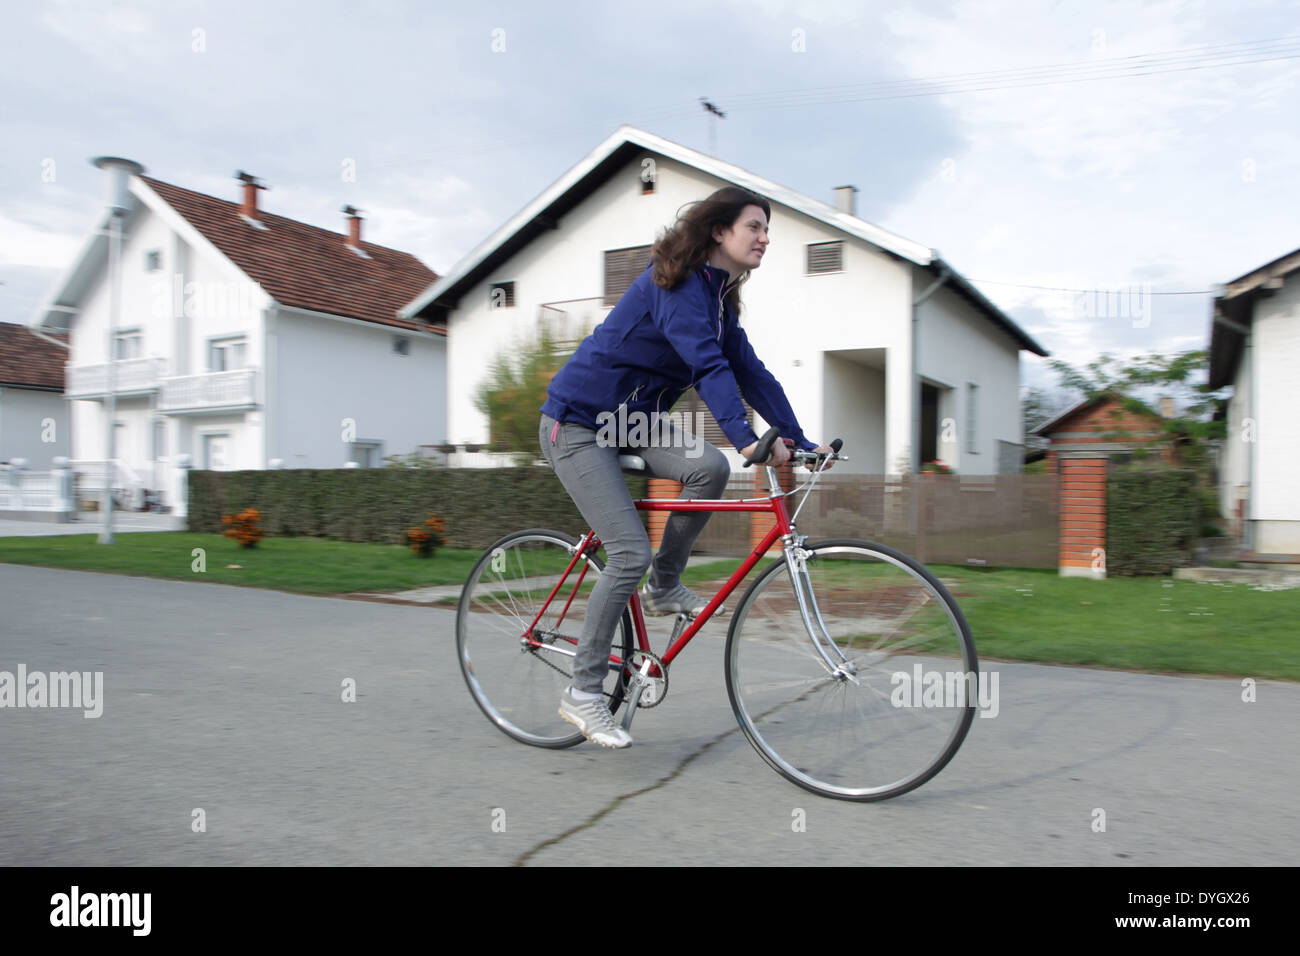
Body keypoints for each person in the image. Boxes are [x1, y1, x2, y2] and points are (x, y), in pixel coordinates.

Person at [538, 185, 833, 748]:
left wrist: (799, 439)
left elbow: (752, 374)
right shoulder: (674, 286)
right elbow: (707, 366)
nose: (765, 238)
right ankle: (582, 692)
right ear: (719, 231)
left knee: (708, 469)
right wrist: (746, 437)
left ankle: (665, 587)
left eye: (767, 229)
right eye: (755, 226)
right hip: (575, 423)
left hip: (630, 423)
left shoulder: (719, 302)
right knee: (627, 551)